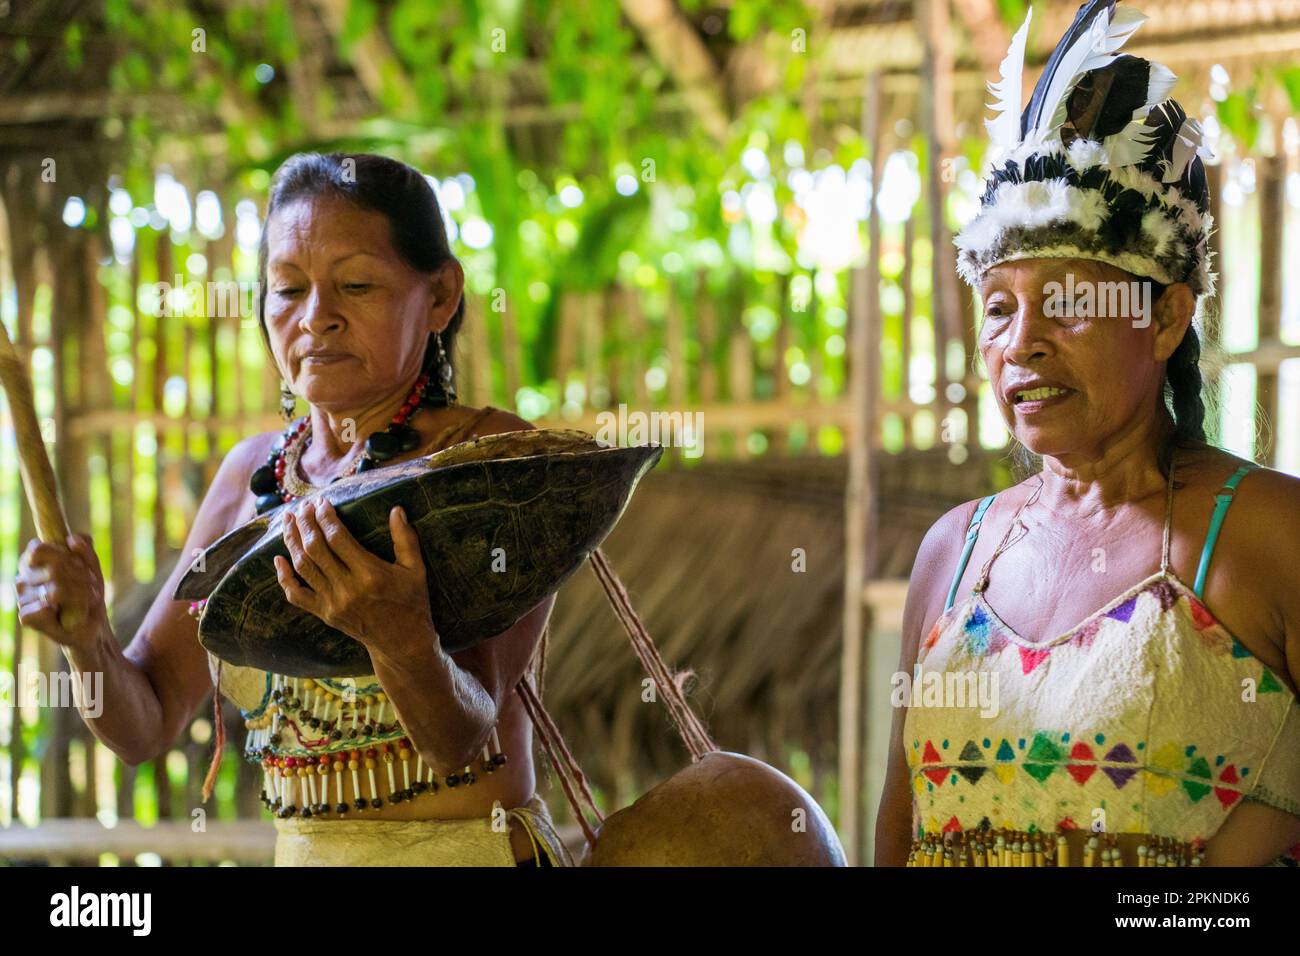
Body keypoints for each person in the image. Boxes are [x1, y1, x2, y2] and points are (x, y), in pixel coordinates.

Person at [15, 152, 571, 866]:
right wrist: (87, 641)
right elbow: (144, 726)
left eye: (357, 285)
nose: (317, 319)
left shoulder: (495, 460)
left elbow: (461, 740)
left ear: (440, 296)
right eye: (287, 289)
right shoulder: (252, 477)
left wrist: (399, 639)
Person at [874, 1, 1300, 866]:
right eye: (999, 308)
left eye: (1068, 302)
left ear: (1169, 316)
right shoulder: (952, 557)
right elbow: (897, 838)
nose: (1021, 341)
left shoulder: (1266, 536)